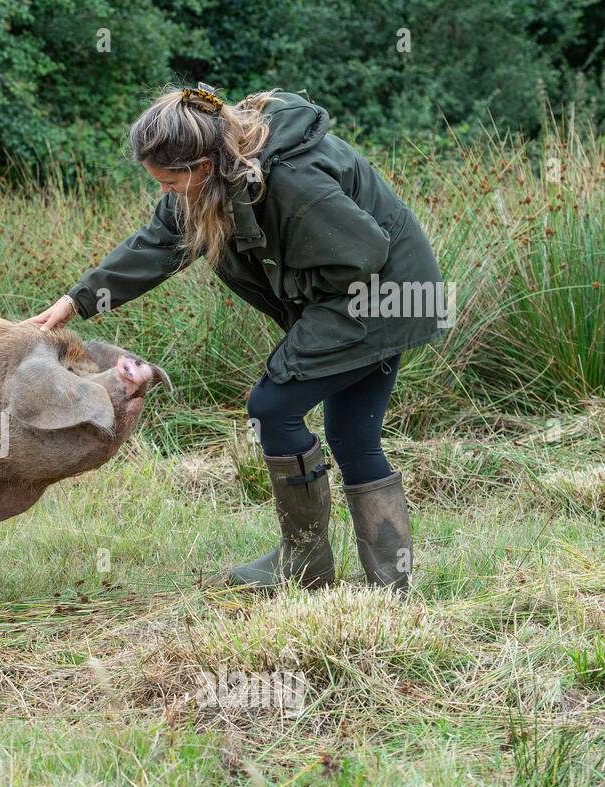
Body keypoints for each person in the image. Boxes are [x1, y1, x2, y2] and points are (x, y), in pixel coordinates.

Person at [26, 84, 447, 593]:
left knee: (272, 405)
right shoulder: (216, 176)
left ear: (201, 166)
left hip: (381, 297)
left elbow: (360, 256)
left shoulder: (291, 181)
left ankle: (307, 560)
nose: (164, 192)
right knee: (352, 436)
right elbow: (157, 243)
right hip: (355, 295)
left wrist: (296, 300)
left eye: (167, 182)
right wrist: (77, 302)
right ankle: (388, 583)